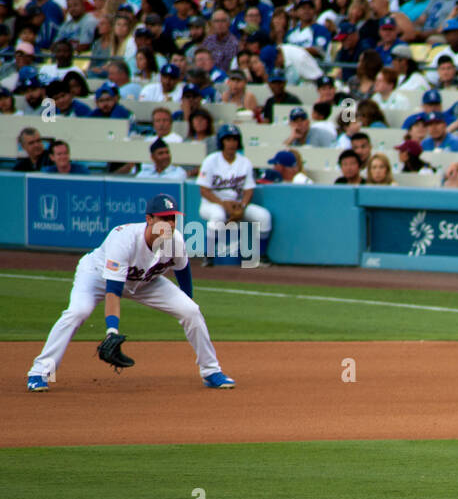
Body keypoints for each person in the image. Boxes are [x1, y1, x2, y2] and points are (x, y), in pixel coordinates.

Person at [25, 194, 236, 392]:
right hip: (97, 276)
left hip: (146, 282)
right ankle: (40, 372)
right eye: (164, 218)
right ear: (149, 219)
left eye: (173, 218)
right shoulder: (124, 239)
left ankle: (211, 372)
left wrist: (185, 303)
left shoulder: (176, 240)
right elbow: (113, 291)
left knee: (191, 311)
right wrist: (112, 331)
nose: (170, 224)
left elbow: (183, 273)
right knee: (77, 312)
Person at [198, 125, 273, 261]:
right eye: (228, 139)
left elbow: (249, 189)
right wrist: (223, 204)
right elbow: (204, 190)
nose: (232, 143)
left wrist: (242, 207)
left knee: (264, 216)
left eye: (234, 139)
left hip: (237, 205)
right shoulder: (210, 160)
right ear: (221, 142)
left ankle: (261, 255)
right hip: (212, 204)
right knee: (218, 216)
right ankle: (208, 255)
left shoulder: (244, 162)